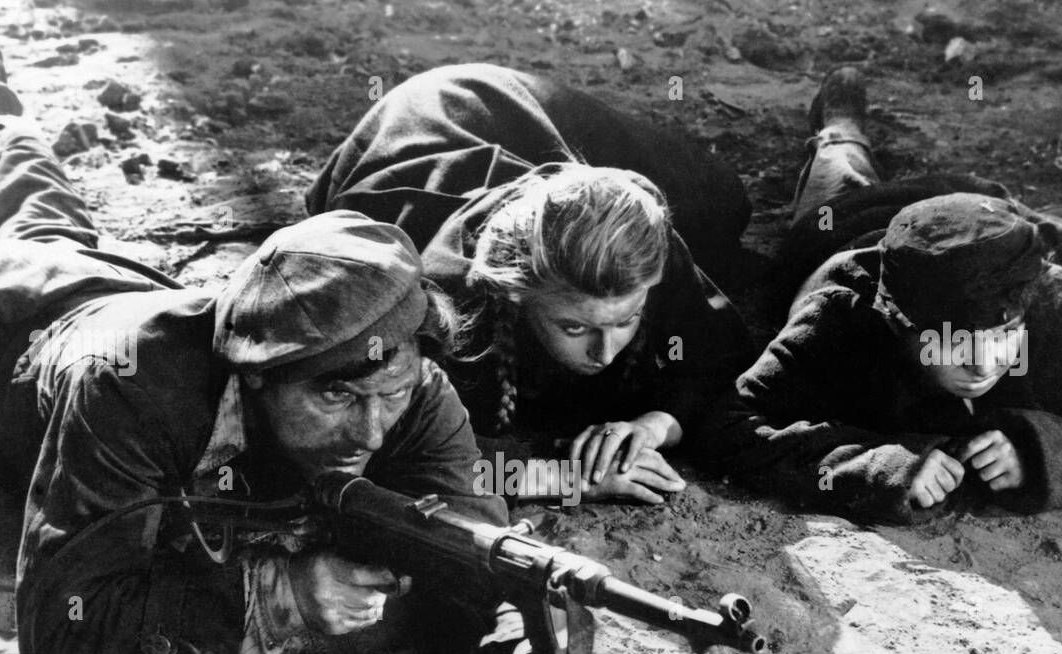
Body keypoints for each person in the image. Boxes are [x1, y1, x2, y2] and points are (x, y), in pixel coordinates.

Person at [0, 41, 610, 654]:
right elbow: (66, 633)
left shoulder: (405, 387)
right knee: (18, 254)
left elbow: (470, 558)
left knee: (44, 223)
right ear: (256, 377)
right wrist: (280, 597)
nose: (372, 430)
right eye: (334, 396)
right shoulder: (129, 390)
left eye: (392, 391)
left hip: (111, 286)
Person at [697, 68, 1062, 524]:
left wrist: (1043, 451)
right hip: (848, 222)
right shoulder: (839, 319)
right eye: (954, 340)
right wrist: (880, 465)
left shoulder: (1044, 293)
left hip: (991, 216)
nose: (984, 364)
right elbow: (729, 424)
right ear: (899, 322)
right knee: (841, 168)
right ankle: (841, 125)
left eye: (1004, 335)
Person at [306, 63, 759, 506]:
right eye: (576, 328)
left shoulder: (647, 251)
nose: (605, 353)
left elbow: (720, 358)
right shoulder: (451, 307)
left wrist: (656, 424)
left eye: (626, 321)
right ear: (517, 296)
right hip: (452, 113)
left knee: (722, 201)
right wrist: (564, 477)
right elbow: (405, 452)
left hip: (539, 129)